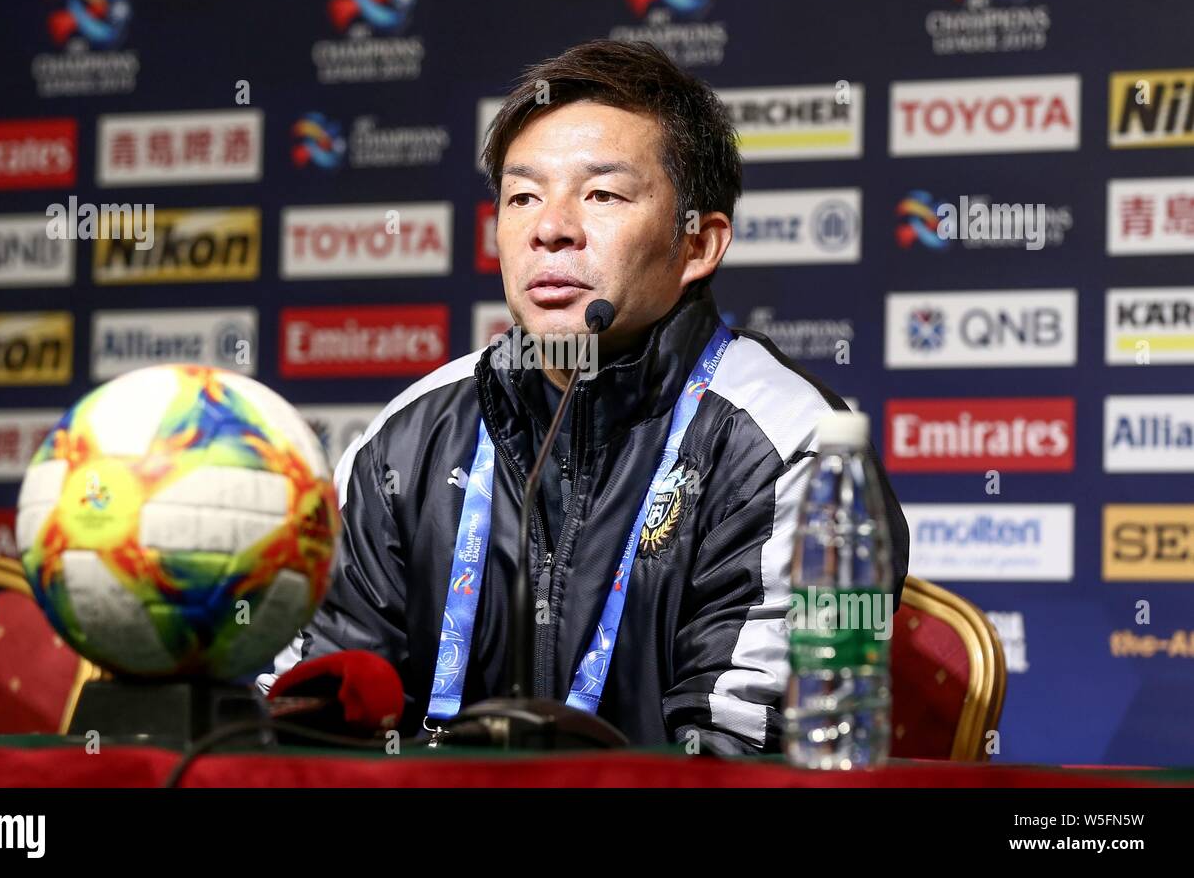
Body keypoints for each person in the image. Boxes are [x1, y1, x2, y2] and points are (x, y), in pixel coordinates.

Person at [261, 40, 909, 754]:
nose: (550, 228)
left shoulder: (788, 445)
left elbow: (747, 762)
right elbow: (313, 726)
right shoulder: (411, 435)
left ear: (698, 244)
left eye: (601, 194)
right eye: (522, 196)